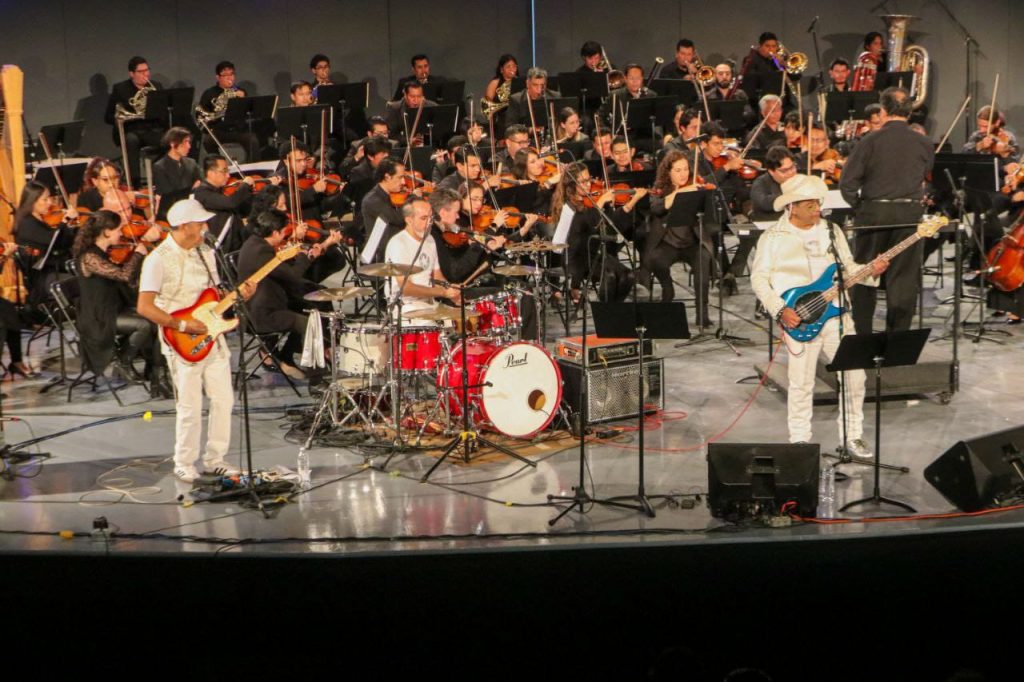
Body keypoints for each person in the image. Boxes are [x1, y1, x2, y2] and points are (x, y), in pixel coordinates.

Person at [751, 174, 887, 457]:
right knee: (801, 383)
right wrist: (779, 309)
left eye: (818, 204)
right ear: (793, 206)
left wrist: (870, 272)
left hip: (838, 315)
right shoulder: (773, 238)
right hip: (799, 317)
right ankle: (800, 441)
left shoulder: (831, 231)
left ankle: (853, 435)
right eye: (811, 204)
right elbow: (759, 279)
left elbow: (847, 267)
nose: (818, 210)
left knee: (855, 377)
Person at [136, 199, 256, 482]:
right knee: (189, 405)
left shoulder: (206, 252)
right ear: (185, 226)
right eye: (200, 223)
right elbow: (145, 307)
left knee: (223, 399)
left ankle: (215, 458)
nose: (205, 227)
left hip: (210, 334)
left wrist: (240, 295)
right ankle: (184, 460)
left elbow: (214, 294)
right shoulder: (158, 259)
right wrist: (181, 323)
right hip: (180, 339)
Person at [839, 87, 934, 334]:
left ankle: (862, 337)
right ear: (910, 111)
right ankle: (898, 342)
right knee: (903, 280)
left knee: (866, 276)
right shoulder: (923, 142)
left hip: (874, 215)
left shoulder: (870, 140)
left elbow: (847, 182)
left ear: (883, 109)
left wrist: (861, 207)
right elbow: (927, 177)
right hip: (909, 216)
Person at [72, 210, 170, 397]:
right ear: (106, 232)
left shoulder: (103, 253)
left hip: (112, 309)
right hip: (98, 318)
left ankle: (157, 373)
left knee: (156, 318)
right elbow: (123, 275)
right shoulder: (89, 257)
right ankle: (123, 362)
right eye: (118, 230)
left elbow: (124, 278)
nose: (121, 233)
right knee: (144, 324)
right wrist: (140, 250)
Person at [236, 209, 341, 379]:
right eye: (284, 232)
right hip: (262, 313)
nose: (286, 235)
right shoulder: (262, 252)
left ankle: (287, 355)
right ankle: (316, 377)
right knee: (308, 323)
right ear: (275, 232)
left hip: (267, 303)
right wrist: (305, 257)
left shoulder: (255, 243)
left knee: (314, 307)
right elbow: (292, 276)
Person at [637, 150, 714, 323]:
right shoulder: (660, 189)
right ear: (668, 172)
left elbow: (710, 214)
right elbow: (657, 208)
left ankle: (702, 313)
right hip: (668, 243)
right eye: (678, 170)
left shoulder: (696, 187)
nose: (683, 174)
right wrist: (680, 193)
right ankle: (667, 286)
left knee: (703, 258)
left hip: (692, 243)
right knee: (654, 258)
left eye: (685, 169)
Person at [551, 162, 645, 303]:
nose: (588, 184)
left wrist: (632, 202)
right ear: (572, 184)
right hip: (577, 258)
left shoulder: (592, 201)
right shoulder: (569, 208)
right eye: (583, 181)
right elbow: (560, 243)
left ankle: (615, 310)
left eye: (589, 179)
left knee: (629, 276)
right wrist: (599, 203)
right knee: (610, 277)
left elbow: (613, 224)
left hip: (596, 254)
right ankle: (604, 312)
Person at [384, 197, 461, 319]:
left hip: (429, 303)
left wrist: (451, 290)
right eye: (424, 218)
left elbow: (437, 276)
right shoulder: (399, 243)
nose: (429, 222)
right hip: (406, 306)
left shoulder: (429, 239)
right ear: (409, 220)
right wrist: (443, 292)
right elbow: (405, 288)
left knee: (460, 319)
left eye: (431, 217)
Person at [14, 181, 77, 311]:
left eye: (50, 198)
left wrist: (71, 227)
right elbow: (53, 242)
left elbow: (64, 244)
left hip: (55, 269)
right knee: (82, 283)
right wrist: (65, 222)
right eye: (45, 199)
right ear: (32, 201)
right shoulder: (26, 224)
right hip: (42, 277)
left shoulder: (40, 219)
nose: (50, 203)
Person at [104, 56, 164, 188]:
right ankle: (134, 183)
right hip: (130, 130)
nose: (146, 74)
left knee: (170, 140)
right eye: (141, 71)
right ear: (131, 74)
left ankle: (161, 179)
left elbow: (162, 112)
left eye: (147, 70)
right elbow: (108, 116)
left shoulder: (156, 87)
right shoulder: (120, 89)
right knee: (131, 140)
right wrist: (121, 118)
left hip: (151, 129)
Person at [197, 61, 260, 163]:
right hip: (219, 130)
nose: (230, 78)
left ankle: (252, 168)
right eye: (225, 75)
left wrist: (243, 99)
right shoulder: (209, 93)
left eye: (231, 74)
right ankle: (218, 165)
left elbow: (249, 112)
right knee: (208, 141)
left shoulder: (240, 92)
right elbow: (201, 114)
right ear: (218, 77)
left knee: (252, 140)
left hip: (238, 130)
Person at [151, 127, 202, 220]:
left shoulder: (191, 162)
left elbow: (201, 182)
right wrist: (191, 188)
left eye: (189, 142)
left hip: (191, 207)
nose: (189, 146)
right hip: (171, 212)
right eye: (185, 142)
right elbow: (168, 193)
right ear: (173, 143)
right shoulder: (159, 166)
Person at [749, 146, 797, 220]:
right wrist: (789, 193)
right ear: (771, 171)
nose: (790, 173)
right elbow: (764, 204)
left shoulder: (800, 179)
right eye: (784, 171)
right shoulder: (760, 183)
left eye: (792, 167)